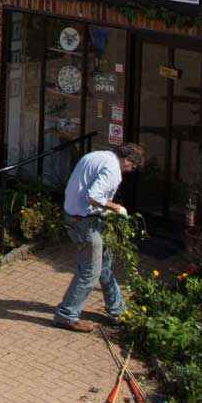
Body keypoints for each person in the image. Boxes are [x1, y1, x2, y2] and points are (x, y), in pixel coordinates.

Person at [53, 142, 147, 332]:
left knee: (104, 266)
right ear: (127, 160)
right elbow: (93, 196)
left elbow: (83, 187)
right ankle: (66, 315)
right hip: (84, 223)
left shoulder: (96, 156)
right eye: (133, 167)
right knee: (90, 272)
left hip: (76, 216)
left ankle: (116, 310)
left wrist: (103, 214)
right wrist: (117, 208)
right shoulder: (113, 169)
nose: (131, 171)